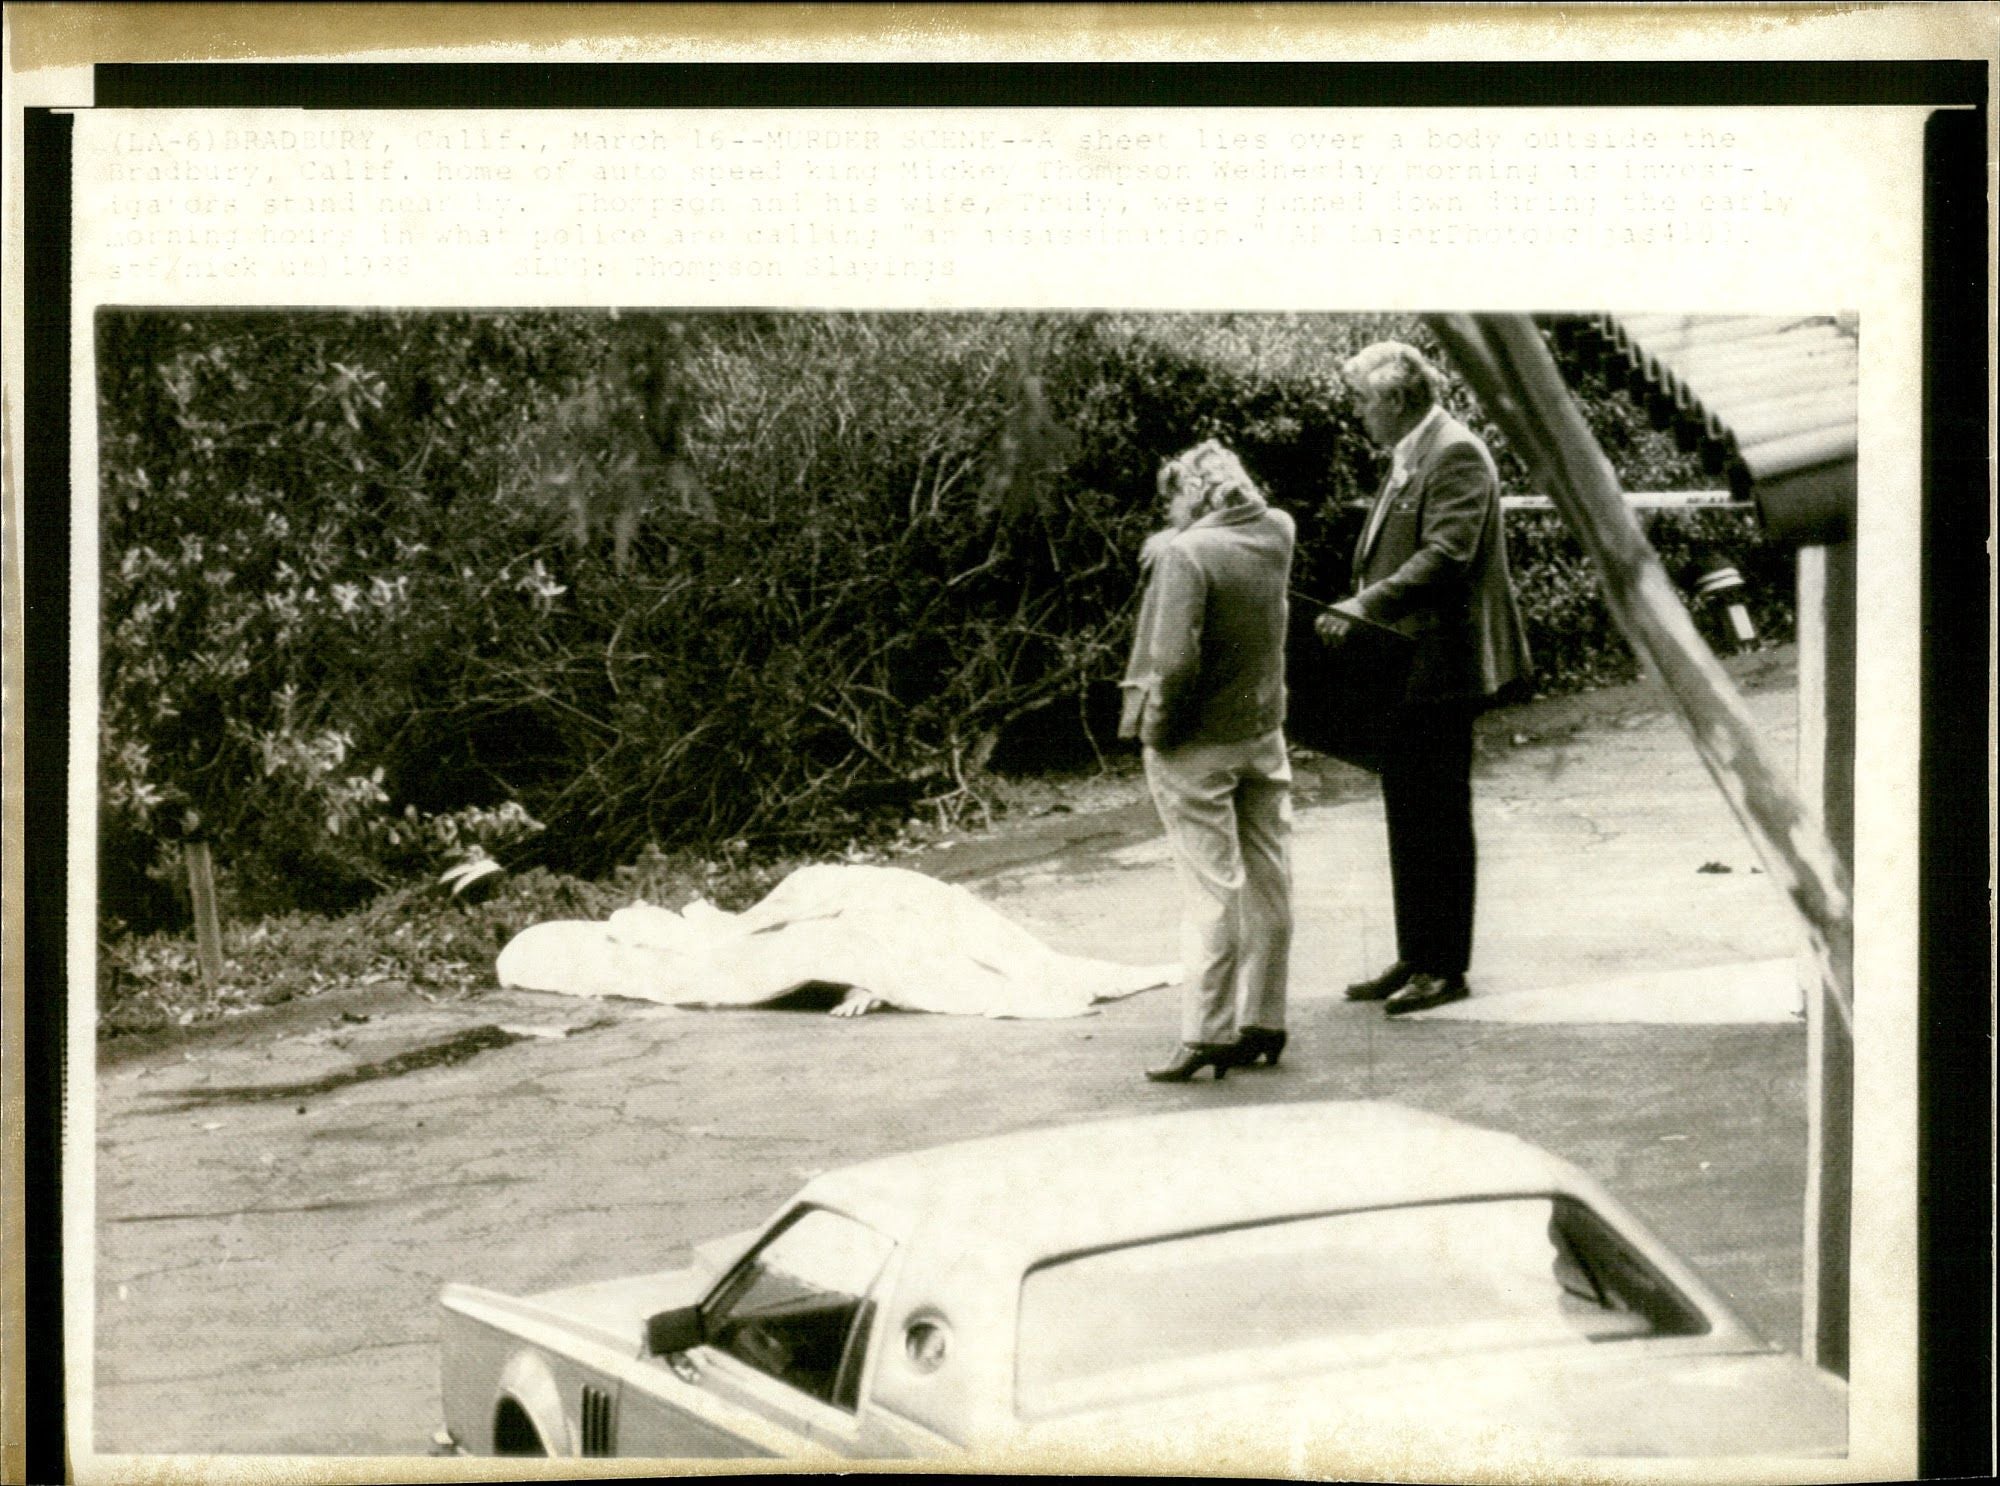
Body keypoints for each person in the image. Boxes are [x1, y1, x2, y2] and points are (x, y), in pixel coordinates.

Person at [1318, 341, 1531, 1017]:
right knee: (1410, 808)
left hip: (1444, 664)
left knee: (1436, 813)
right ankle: (1418, 954)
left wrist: (1366, 604)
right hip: (1410, 661)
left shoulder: (1454, 451)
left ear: (1397, 399)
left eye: (1362, 400)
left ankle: (1444, 966)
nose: (1357, 414)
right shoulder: (1418, 448)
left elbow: (1447, 553)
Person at [1121, 440, 1296, 1081]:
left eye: (1171, 496)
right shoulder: (1279, 530)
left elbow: (1173, 663)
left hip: (1199, 742)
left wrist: (1157, 733)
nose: (1167, 510)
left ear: (1191, 493)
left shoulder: (1187, 554)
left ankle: (1206, 1032)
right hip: (1262, 729)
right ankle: (1264, 1020)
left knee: (1210, 890)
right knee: (1269, 877)